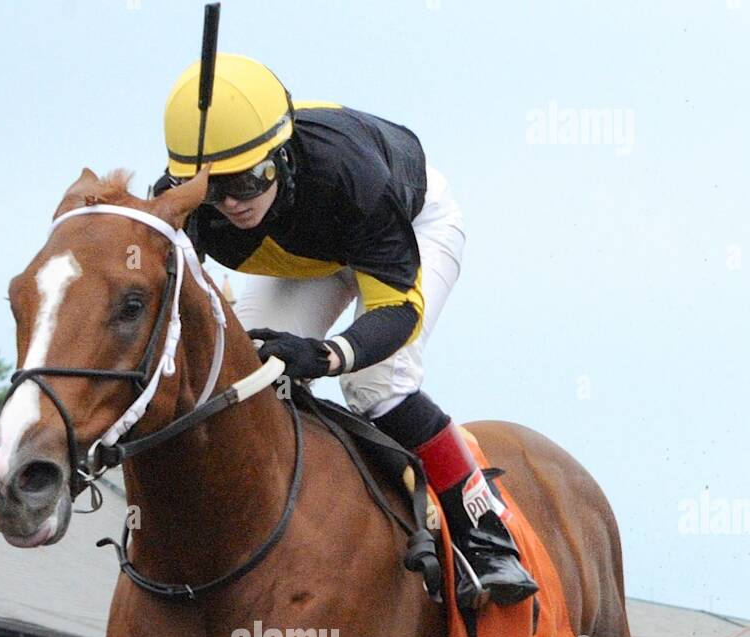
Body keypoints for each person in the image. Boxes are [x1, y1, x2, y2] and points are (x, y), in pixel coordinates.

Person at [155, 54, 538, 607]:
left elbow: (399, 312)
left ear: (281, 158)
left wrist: (328, 355)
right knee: (249, 376)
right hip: (298, 257)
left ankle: (483, 529)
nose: (232, 204)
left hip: (403, 228)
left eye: (247, 180)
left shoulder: (352, 177)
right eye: (213, 189)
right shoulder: (186, 201)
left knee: (376, 382)